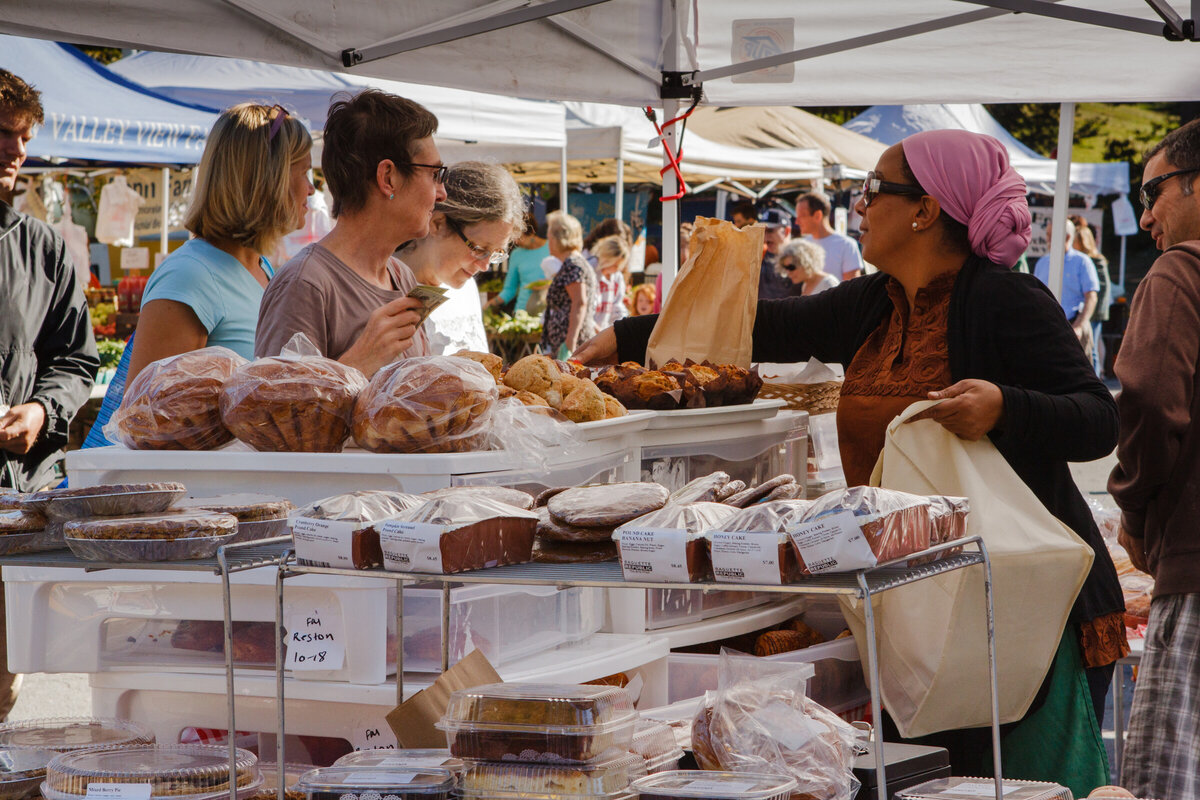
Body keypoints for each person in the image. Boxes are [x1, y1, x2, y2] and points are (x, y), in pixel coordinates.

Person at [578, 129, 1124, 796]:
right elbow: (760, 325)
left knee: (1023, 787)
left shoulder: (1006, 300)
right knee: (932, 784)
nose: (860, 208)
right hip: (915, 605)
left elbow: (1098, 417)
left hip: (1016, 610)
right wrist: (621, 338)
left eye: (874, 192)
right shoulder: (874, 301)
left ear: (925, 209)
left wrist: (1005, 406)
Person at [0, 69, 98, 719]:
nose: (16, 152)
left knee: (1, 683)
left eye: (24, 138)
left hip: (10, 501)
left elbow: (76, 359)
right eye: (2, 135)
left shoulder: (41, 248)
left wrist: (42, 408)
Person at [1108, 118, 1200, 800]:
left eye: (1155, 190)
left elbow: (1148, 398)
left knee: (1168, 781)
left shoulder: (1180, 271)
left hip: (1194, 568)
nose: (1146, 215)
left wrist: (1135, 510)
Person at [255, 90, 443, 377]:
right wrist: (357, 365)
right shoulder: (305, 285)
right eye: (434, 174)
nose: (441, 193)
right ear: (388, 177)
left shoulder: (401, 275)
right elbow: (270, 415)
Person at [126, 104, 314, 383]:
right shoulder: (189, 277)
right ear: (267, 178)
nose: (311, 188)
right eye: (304, 172)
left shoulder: (260, 267)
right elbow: (143, 416)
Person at [398, 161, 525, 355]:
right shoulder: (385, 286)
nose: (484, 266)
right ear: (438, 223)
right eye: (479, 248)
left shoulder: (466, 289)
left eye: (496, 254)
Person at [1032, 218, 1099, 357]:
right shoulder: (1042, 262)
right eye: (1047, 234)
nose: (1047, 239)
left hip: (1074, 326)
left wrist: (1079, 325)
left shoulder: (1082, 261)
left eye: (1051, 234)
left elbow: (1091, 297)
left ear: (1067, 237)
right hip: (1047, 328)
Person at [541, 210, 597, 359]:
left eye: (549, 237)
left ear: (558, 239)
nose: (548, 242)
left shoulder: (573, 264)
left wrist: (569, 343)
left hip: (572, 342)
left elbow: (579, 303)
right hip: (570, 340)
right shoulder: (575, 262)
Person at [1068, 214, 1111, 377]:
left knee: (1091, 347)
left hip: (1093, 312)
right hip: (1084, 310)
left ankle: (1095, 378)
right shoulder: (1081, 261)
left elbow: (1099, 292)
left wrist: (1092, 313)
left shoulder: (1093, 261)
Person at [795, 190, 865, 281]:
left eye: (801, 216)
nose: (796, 222)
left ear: (817, 215)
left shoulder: (846, 245)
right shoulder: (802, 245)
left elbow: (852, 290)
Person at [491, 210, 549, 314]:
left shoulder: (551, 248)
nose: (516, 242)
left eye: (518, 237)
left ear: (530, 232)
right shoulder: (516, 254)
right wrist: (490, 304)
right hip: (522, 314)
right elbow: (509, 289)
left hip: (547, 313)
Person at [591, 234, 631, 329]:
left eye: (620, 265)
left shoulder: (617, 277)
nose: (617, 268)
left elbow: (617, 306)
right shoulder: (590, 270)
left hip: (603, 331)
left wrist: (623, 325)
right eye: (615, 264)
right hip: (588, 332)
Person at [757, 208, 792, 300]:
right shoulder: (759, 254)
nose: (765, 237)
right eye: (763, 231)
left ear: (786, 231)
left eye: (770, 231)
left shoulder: (800, 259)